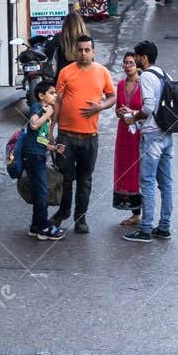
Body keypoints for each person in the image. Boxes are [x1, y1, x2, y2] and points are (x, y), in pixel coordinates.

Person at [53, 34, 115, 234]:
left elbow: (112, 96)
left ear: (93, 51)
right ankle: (63, 213)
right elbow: (57, 101)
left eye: (87, 50)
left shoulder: (102, 72)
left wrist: (100, 106)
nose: (83, 53)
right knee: (65, 177)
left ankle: (81, 218)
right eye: (80, 50)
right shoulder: (65, 72)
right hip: (66, 136)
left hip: (90, 137)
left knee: (85, 179)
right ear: (75, 51)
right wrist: (52, 129)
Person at [124, 40, 173, 242]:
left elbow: (148, 108)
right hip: (166, 134)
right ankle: (164, 227)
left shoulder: (146, 77)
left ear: (143, 58)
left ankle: (145, 229)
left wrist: (133, 117)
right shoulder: (165, 74)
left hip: (152, 135)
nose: (135, 60)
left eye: (136, 57)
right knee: (166, 183)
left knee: (147, 182)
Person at [22, 81, 64, 240]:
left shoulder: (45, 109)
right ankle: (44, 227)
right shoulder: (37, 107)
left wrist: (52, 148)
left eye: (55, 93)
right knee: (42, 191)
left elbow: (40, 137)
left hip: (38, 154)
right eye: (51, 93)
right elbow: (33, 125)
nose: (55, 95)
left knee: (40, 190)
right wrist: (48, 114)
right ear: (41, 95)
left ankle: (35, 226)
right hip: (32, 155)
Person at [113, 53, 144, 225]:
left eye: (131, 63)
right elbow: (117, 109)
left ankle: (143, 210)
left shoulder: (144, 84)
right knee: (125, 169)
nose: (127, 66)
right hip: (124, 132)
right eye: (125, 63)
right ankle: (135, 212)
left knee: (139, 170)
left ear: (138, 65)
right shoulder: (121, 84)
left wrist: (132, 113)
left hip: (139, 132)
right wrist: (120, 112)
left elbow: (147, 109)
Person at [49, 12, 89, 77]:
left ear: (65, 25)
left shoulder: (58, 38)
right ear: (81, 24)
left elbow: (49, 52)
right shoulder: (88, 39)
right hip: (83, 76)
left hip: (63, 77)